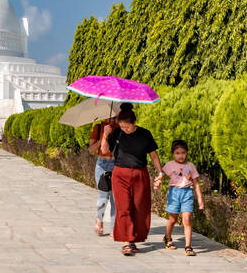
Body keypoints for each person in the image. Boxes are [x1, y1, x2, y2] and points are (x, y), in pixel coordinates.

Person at [105, 107, 163, 256]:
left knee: (138, 208)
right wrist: (105, 134)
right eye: (122, 126)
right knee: (124, 208)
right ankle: (126, 242)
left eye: (127, 126)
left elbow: (154, 156)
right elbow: (105, 151)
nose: (125, 129)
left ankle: (132, 240)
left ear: (134, 122)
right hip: (120, 175)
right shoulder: (117, 133)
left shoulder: (145, 134)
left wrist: (160, 172)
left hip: (139, 174)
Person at [87, 103, 129, 236]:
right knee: (103, 196)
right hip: (102, 164)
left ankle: (114, 227)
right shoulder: (98, 127)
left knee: (115, 198)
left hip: (116, 164)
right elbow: (91, 150)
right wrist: (103, 136)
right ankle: (99, 220)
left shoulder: (121, 129)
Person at [161, 139, 204, 255]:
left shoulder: (190, 166)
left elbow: (196, 183)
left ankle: (188, 247)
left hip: (187, 194)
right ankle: (168, 238)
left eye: (183, 153)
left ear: (187, 153)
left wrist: (200, 199)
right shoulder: (170, 164)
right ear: (173, 154)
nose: (180, 156)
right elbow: (162, 174)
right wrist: (158, 180)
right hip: (174, 193)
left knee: (187, 219)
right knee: (173, 219)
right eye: (177, 153)